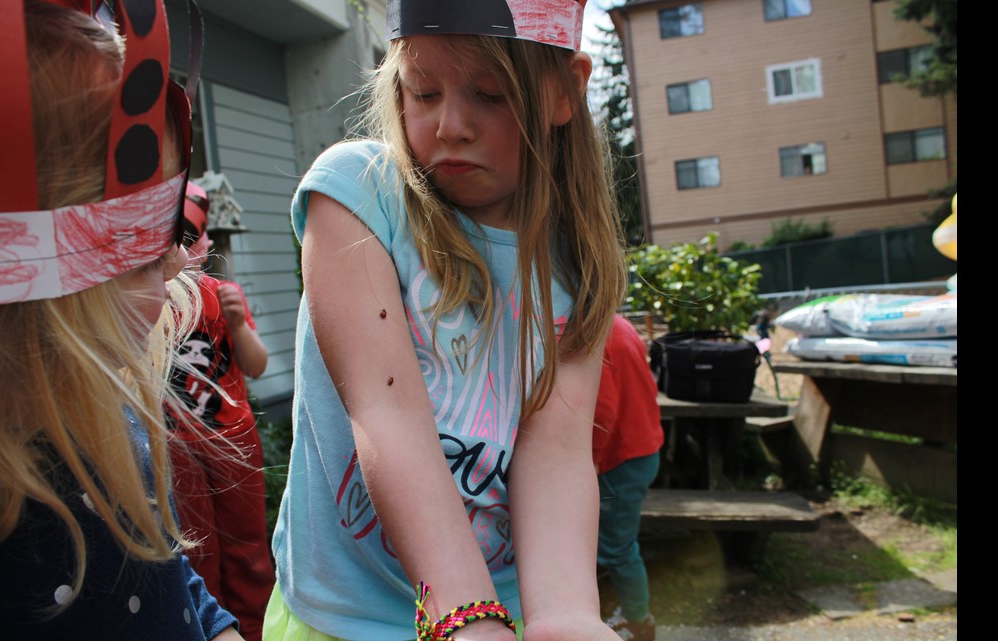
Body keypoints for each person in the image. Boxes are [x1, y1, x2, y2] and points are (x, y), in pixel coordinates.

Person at [264, 1, 629, 640]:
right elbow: (387, 414)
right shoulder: (356, 194)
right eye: (423, 91)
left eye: (489, 94)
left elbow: (557, 450)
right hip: (349, 619)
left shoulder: (574, 262)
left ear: (563, 91)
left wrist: (565, 615)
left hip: (507, 606)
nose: (450, 125)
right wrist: (468, 618)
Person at [0, 1, 243, 639]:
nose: (175, 271)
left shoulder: (105, 407)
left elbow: (163, 573)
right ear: (30, 308)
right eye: (141, 259)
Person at [167, 181, 276, 641]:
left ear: (208, 242)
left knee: (248, 546)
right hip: (177, 447)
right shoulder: (158, 299)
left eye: (194, 240)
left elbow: (256, 364)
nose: (188, 251)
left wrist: (235, 322)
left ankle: (255, 630)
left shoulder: (222, 293)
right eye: (177, 240)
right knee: (198, 551)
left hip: (232, 440)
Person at [593, 315, 666, 641]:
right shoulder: (618, 323)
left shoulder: (594, 333)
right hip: (642, 447)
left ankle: (638, 621)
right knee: (618, 543)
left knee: (618, 549)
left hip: (619, 458)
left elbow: (602, 410)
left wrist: (587, 464)